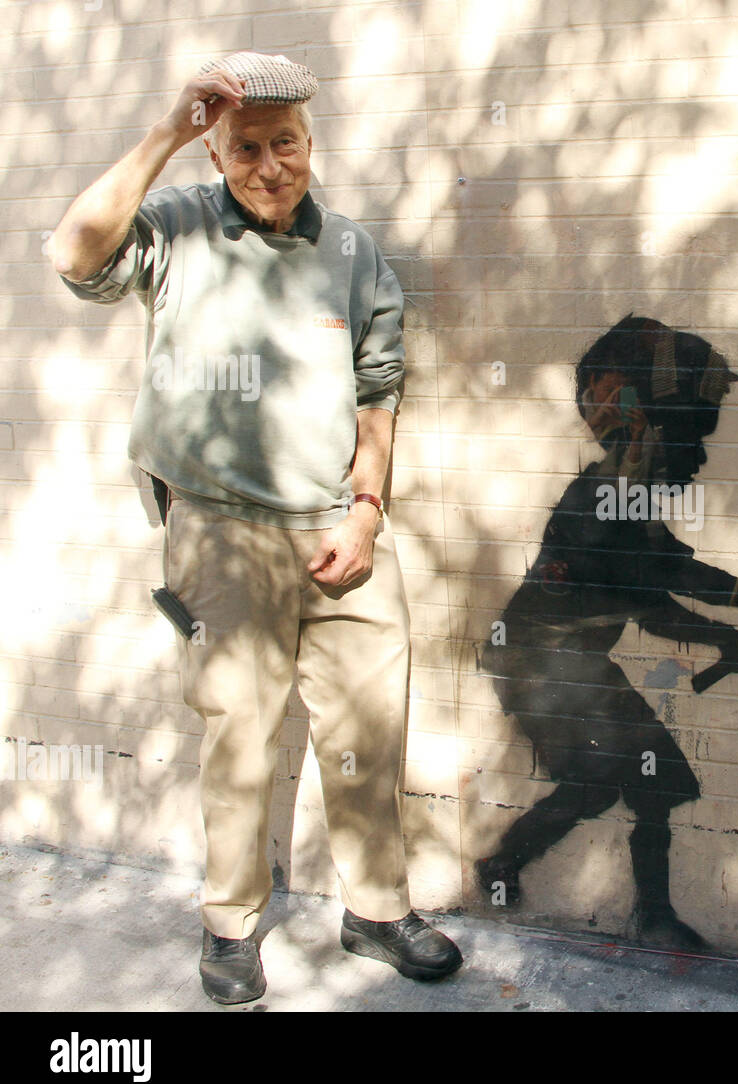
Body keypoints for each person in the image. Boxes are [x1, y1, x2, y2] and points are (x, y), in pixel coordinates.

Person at [49, 52, 461, 1003]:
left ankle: (378, 910)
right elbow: (75, 256)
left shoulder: (354, 251)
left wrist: (366, 512)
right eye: (245, 148)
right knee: (239, 735)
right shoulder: (179, 228)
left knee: (369, 728)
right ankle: (231, 923)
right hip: (222, 531)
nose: (269, 165)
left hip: (340, 531)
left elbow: (378, 389)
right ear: (219, 153)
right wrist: (167, 134)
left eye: (286, 145)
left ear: (311, 146)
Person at [477, 315, 738, 950]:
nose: (698, 454)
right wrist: (726, 635)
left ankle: (654, 915)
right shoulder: (599, 498)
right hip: (536, 662)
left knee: (655, 784)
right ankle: (503, 865)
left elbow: (692, 577)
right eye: (682, 435)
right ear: (636, 426)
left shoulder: (630, 498)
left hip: (579, 661)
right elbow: (659, 601)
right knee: (598, 784)